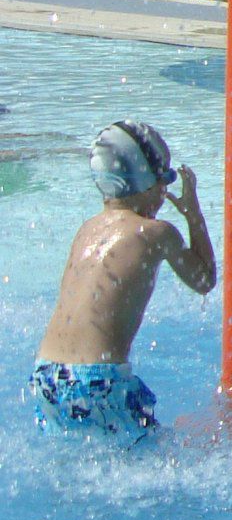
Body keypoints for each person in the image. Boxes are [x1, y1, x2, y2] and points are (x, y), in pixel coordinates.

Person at [30, 121, 216, 443]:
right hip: (98, 380)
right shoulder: (155, 232)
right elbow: (205, 280)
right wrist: (192, 214)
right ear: (145, 180)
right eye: (165, 179)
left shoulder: (86, 230)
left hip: (47, 375)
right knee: (165, 458)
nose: (164, 191)